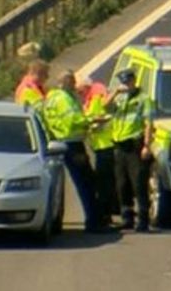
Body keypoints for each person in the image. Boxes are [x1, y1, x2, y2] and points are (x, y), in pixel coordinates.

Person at [44, 71, 109, 233]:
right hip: (71, 143)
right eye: (72, 82)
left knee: (83, 182)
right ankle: (94, 222)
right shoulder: (64, 99)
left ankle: (95, 219)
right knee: (86, 183)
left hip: (61, 140)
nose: (74, 85)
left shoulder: (51, 97)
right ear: (64, 82)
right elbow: (72, 120)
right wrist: (91, 120)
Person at [106, 69, 155, 232]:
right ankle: (127, 217)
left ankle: (143, 220)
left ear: (134, 81)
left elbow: (148, 123)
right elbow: (105, 107)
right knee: (121, 183)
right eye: (122, 82)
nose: (125, 85)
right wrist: (115, 93)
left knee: (138, 183)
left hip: (135, 144)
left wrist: (147, 145)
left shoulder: (144, 99)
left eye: (127, 82)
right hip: (119, 144)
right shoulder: (120, 98)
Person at [78, 76, 128, 227]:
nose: (79, 94)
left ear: (86, 87)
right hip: (101, 145)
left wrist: (93, 124)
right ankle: (110, 214)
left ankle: (107, 215)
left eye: (80, 90)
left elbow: (105, 114)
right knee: (105, 183)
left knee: (105, 184)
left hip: (106, 145)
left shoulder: (97, 95)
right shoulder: (91, 96)